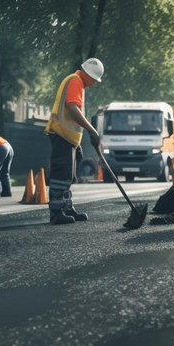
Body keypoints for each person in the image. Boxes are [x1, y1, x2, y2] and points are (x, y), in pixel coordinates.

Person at [43, 58, 104, 225]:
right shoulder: (75, 81)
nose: (93, 83)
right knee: (61, 174)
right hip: (62, 134)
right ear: (90, 76)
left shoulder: (75, 81)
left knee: (68, 176)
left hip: (67, 137)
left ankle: (66, 207)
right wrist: (92, 130)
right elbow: (72, 107)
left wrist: (77, 145)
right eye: (95, 80)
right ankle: (56, 212)